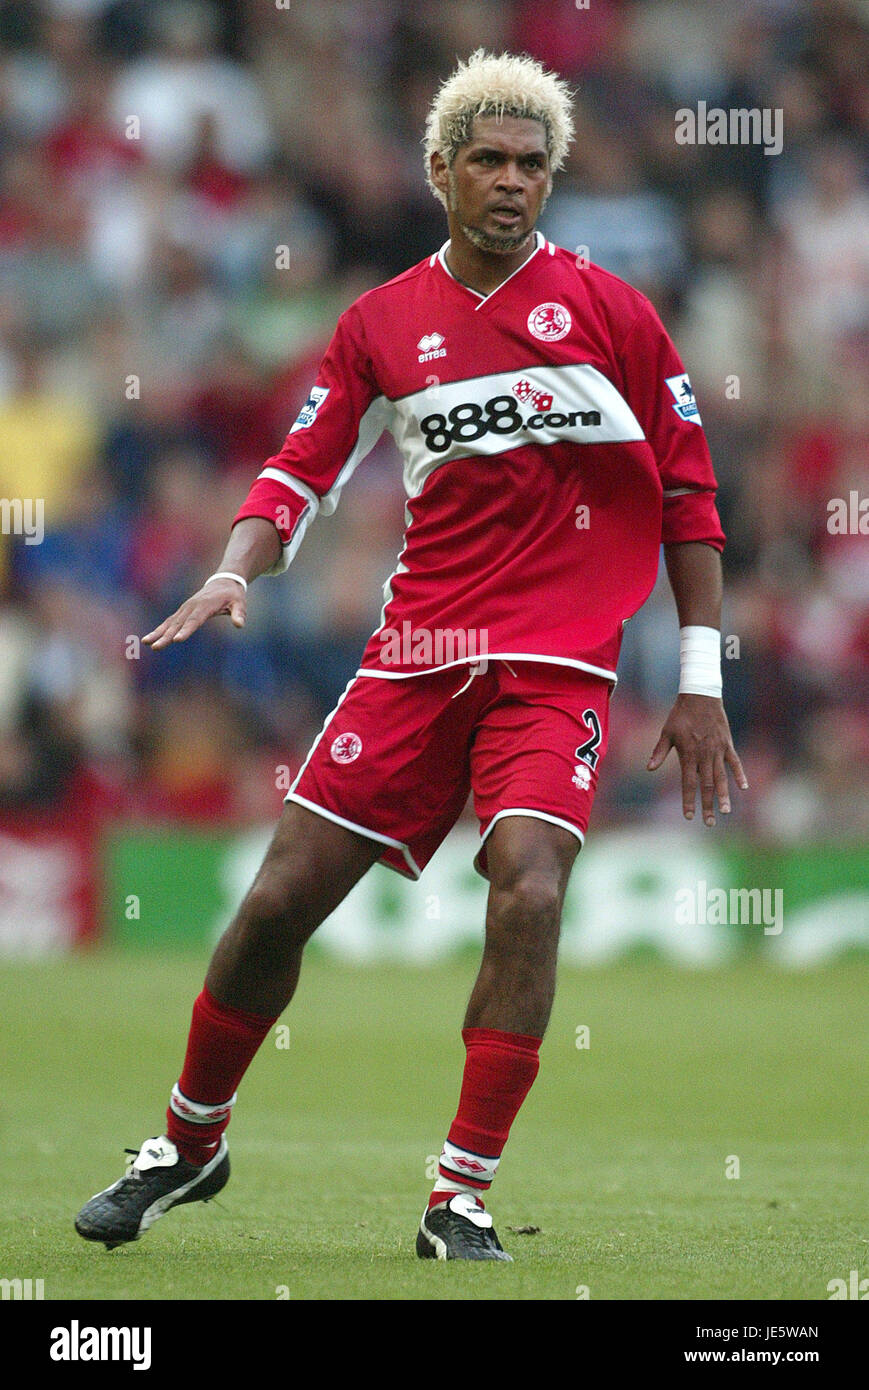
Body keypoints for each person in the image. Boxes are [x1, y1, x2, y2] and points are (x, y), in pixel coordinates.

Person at [75, 50, 747, 1263]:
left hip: (555, 668)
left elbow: (692, 501)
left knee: (531, 887)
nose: (509, 181)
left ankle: (459, 1194)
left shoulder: (615, 313)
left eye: (531, 164)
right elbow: (297, 476)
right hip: (417, 656)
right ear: (438, 171)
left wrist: (700, 682)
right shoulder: (382, 324)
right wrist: (235, 565)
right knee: (275, 902)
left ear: (552, 178)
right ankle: (187, 1139)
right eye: (485, 160)